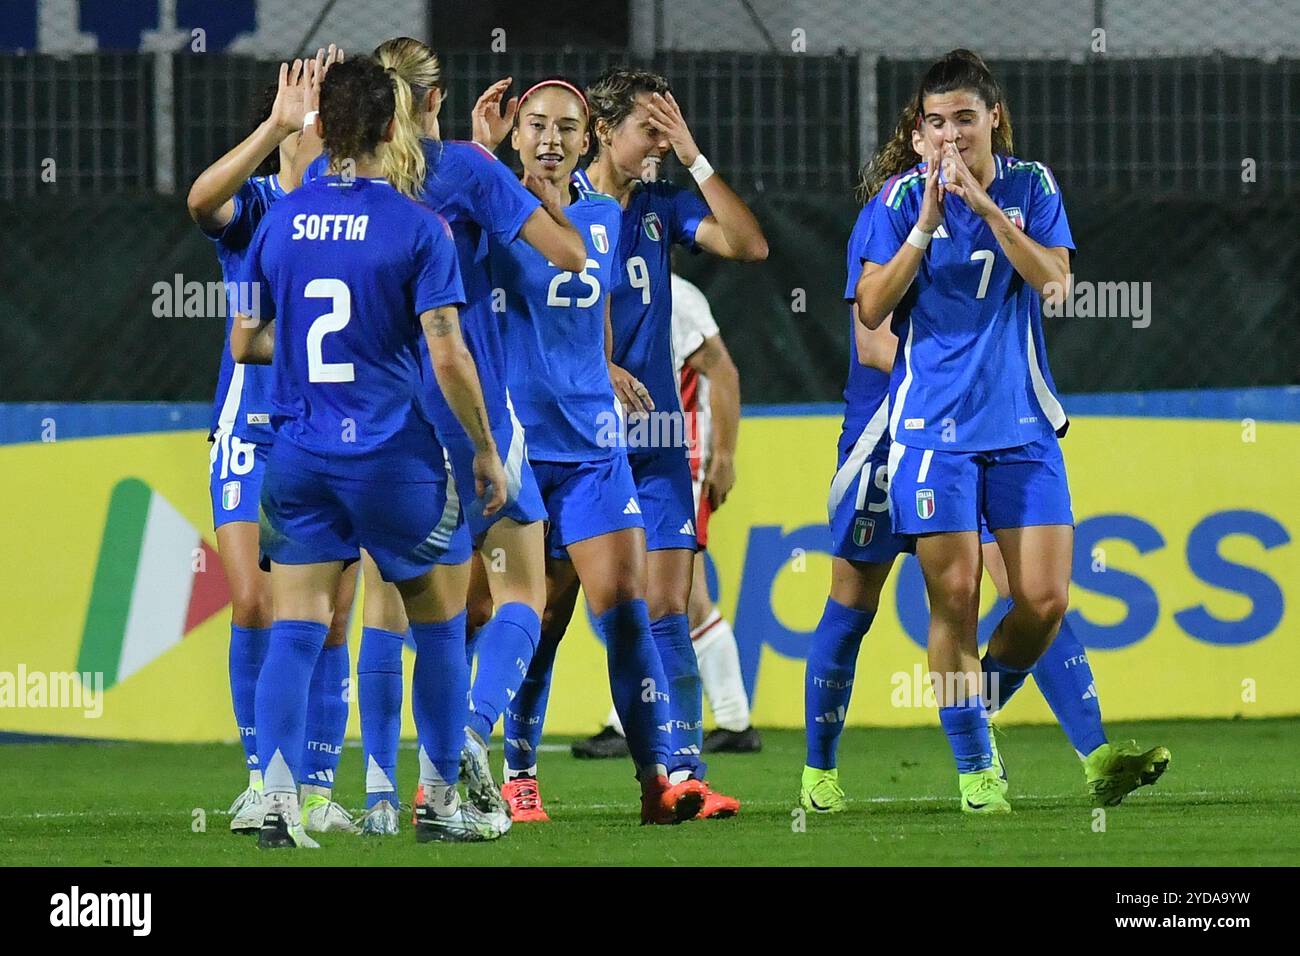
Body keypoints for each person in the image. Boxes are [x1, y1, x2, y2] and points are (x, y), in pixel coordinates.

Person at [292, 37, 587, 833]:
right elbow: (571, 255)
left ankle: (384, 800)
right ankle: (461, 745)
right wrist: (530, 182)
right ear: (433, 100)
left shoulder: (331, 179)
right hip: (471, 405)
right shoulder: (465, 168)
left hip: (380, 418)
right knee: (523, 585)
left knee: (390, 606)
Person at [231, 55, 515, 847]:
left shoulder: (281, 219)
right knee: (438, 617)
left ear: (321, 127)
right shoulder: (417, 227)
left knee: (295, 624)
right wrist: (487, 451)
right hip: (393, 457)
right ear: (393, 127)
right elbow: (450, 356)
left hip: (299, 456)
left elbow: (246, 340)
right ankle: (435, 800)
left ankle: (279, 799)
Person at [503, 67, 767, 818]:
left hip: (650, 442)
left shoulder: (658, 206)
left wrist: (693, 153)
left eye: (665, 130)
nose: (658, 142)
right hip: (570, 438)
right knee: (548, 615)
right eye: (650, 129)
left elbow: (748, 245)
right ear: (606, 133)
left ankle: (679, 774)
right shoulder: (554, 208)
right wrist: (601, 363)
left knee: (665, 606)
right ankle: (519, 771)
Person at [469, 75, 707, 824]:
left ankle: (654, 781)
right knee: (529, 618)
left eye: (566, 127)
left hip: (595, 451)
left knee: (626, 609)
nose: (549, 139)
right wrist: (475, 153)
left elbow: (593, 315)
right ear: (515, 136)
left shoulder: (605, 217)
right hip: (520, 452)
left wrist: (602, 368)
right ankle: (511, 771)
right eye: (535, 125)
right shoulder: (487, 209)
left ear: (587, 137)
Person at [185, 49, 360, 835]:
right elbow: (200, 201)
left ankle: (316, 790)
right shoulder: (256, 206)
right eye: (312, 108)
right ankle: (265, 779)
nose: (322, 124)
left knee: (329, 617)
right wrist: (273, 129)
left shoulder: (359, 211)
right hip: (251, 432)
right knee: (254, 602)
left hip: (331, 433)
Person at [573, 270, 759, 759]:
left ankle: (631, 721)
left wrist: (724, 456)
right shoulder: (599, 285)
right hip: (628, 457)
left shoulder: (677, 294)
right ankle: (734, 719)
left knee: (669, 597)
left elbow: (724, 373)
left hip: (679, 459)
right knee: (675, 598)